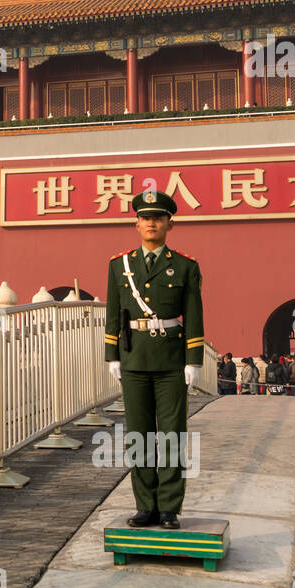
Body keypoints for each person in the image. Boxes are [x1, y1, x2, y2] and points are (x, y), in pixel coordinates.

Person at [104, 189, 203, 531]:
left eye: (158, 218)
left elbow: (193, 313)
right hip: (133, 360)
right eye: (145, 218)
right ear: (136, 223)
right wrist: (111, 355)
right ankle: (145, 506)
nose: (151, 223)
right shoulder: (120, 266)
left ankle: (169, 508)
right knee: (139, 434)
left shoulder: (186, 266)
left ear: (169, 224)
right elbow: (113, 314)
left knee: (172, 433)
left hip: (171, 361)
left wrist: (194, 360)